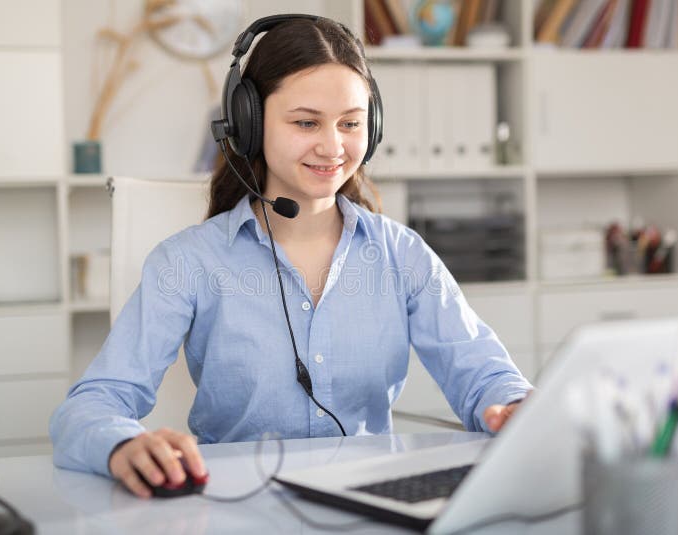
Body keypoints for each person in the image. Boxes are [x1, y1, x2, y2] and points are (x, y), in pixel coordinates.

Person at [50, 15, 532, 499]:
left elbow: (485, 376)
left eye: (350, 123)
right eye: (306, 122)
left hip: (371, 503)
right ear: (249, 123)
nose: (332, 146)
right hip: (237, 506)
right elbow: (91, 405)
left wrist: (510, 406)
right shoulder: (189, 262)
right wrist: (122, 445)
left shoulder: (402, 255)